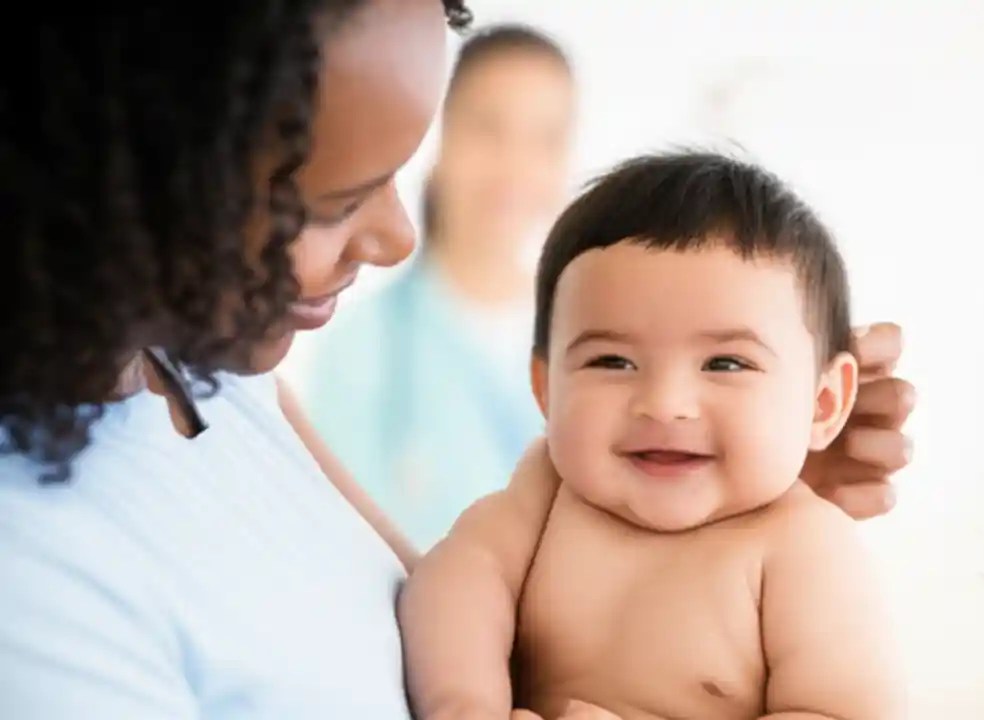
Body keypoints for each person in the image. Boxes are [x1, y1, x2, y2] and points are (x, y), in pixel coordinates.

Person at [0, 2, 914, 718]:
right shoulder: (38, 586)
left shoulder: (216, 377)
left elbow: (435, 592)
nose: (399, 235)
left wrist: (725, 496)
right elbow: (458, 580)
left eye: (727, 363)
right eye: (335, 198)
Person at [401, 151, 903, 719]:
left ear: (823, 402)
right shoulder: (546, 494)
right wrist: (464, 700)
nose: (665, 404)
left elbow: (840, 713)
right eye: (612, 361)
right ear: (546, 387)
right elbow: (455, 580)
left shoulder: (802, 546)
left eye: (726, 364)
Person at [303, 23, 575, 549]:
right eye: (489, 129)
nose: (514, 165)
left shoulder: (591, 336)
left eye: (545, 138)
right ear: (440, 133)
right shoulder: (364, 346)